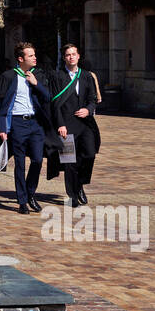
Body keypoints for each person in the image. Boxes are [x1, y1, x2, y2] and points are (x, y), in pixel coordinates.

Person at [0, 42, 54, 215]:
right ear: (21, 59)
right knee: (19, 163)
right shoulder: (8, 76)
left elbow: (48, 97)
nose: (35, 58)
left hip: (35, 123)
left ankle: (30, 193)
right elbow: (0, 105)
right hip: (17, 123)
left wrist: (36, 84)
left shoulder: (39, 75)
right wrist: (2, 128)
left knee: (37, 160)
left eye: (34, 55)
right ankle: (22, 201)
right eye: (30, 55)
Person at [47, 44, 101, 208]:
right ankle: (72, 195)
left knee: (90, 154)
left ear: (78, 56)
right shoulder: (57, 77)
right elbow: (54, 104)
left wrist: (88, 110)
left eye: (74, 54)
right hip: (66, 126)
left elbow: (93, 99)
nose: (71, 57)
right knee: (70, 161)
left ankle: (80, 185)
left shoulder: (86, 76)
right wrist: (60, 124)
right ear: (64, 58)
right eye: (68, 55)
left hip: (85, 124)